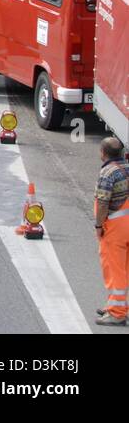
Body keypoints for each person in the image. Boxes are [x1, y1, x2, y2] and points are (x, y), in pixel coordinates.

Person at [95, 136, 129, 326]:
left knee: (115, 270)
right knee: (125, 269)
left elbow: (102, 203)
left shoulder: (108, 173)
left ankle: (117, 313)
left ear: (103, 153)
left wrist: (99, 226)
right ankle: (120, 307)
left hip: (115, 228)